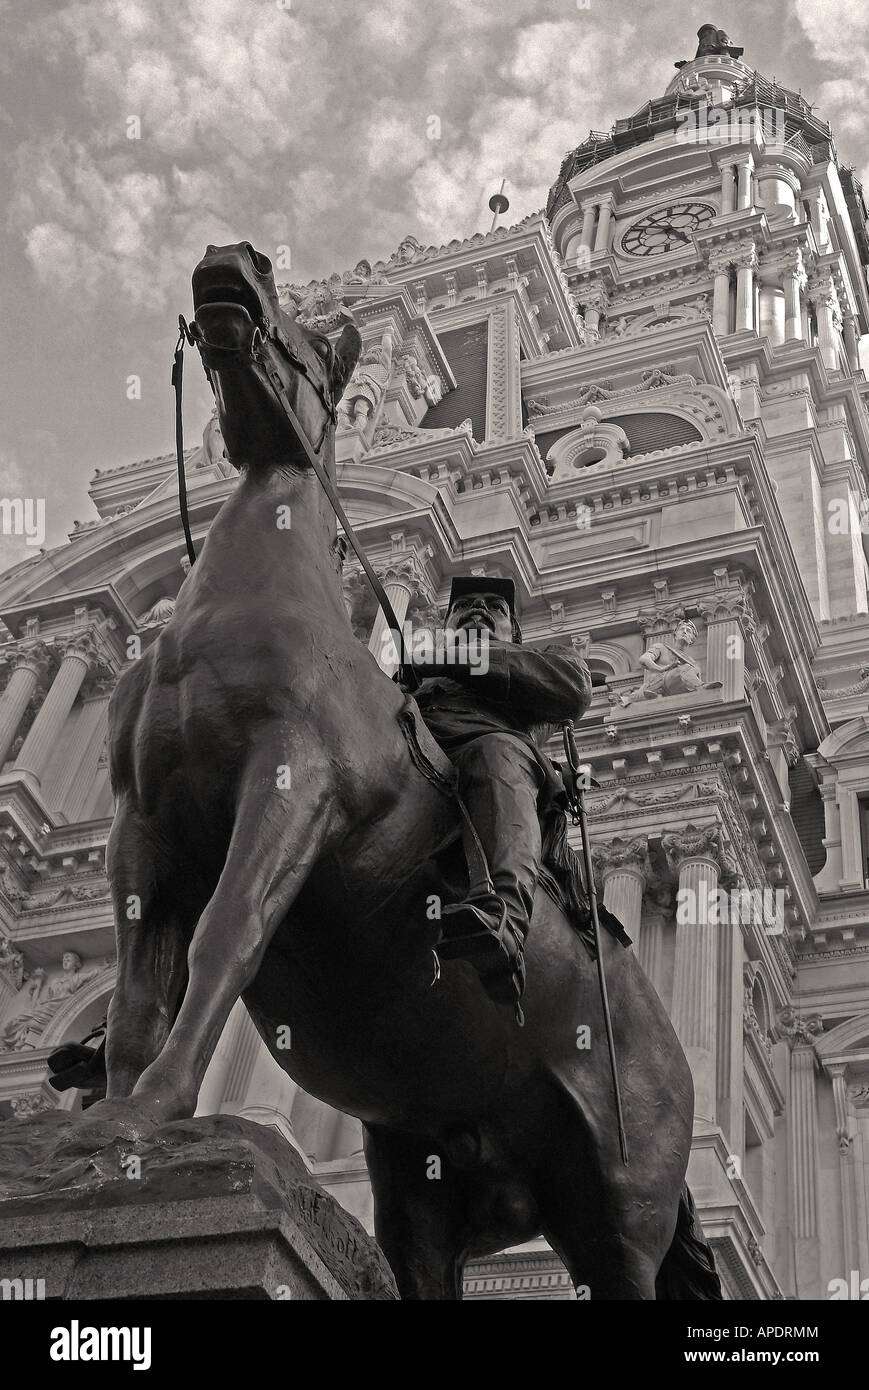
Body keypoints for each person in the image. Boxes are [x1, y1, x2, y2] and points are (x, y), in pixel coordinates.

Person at [401, 576, 592, 1008]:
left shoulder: (540, 659)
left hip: (489, 755)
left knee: (498, 753)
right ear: (445, 621)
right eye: (464, 604)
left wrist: (454, 656)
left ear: (514, 634)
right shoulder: (416, 674)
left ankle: (504, 914)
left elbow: (572, 688)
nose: (479, 609)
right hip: (415, 744)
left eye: (494, 606)